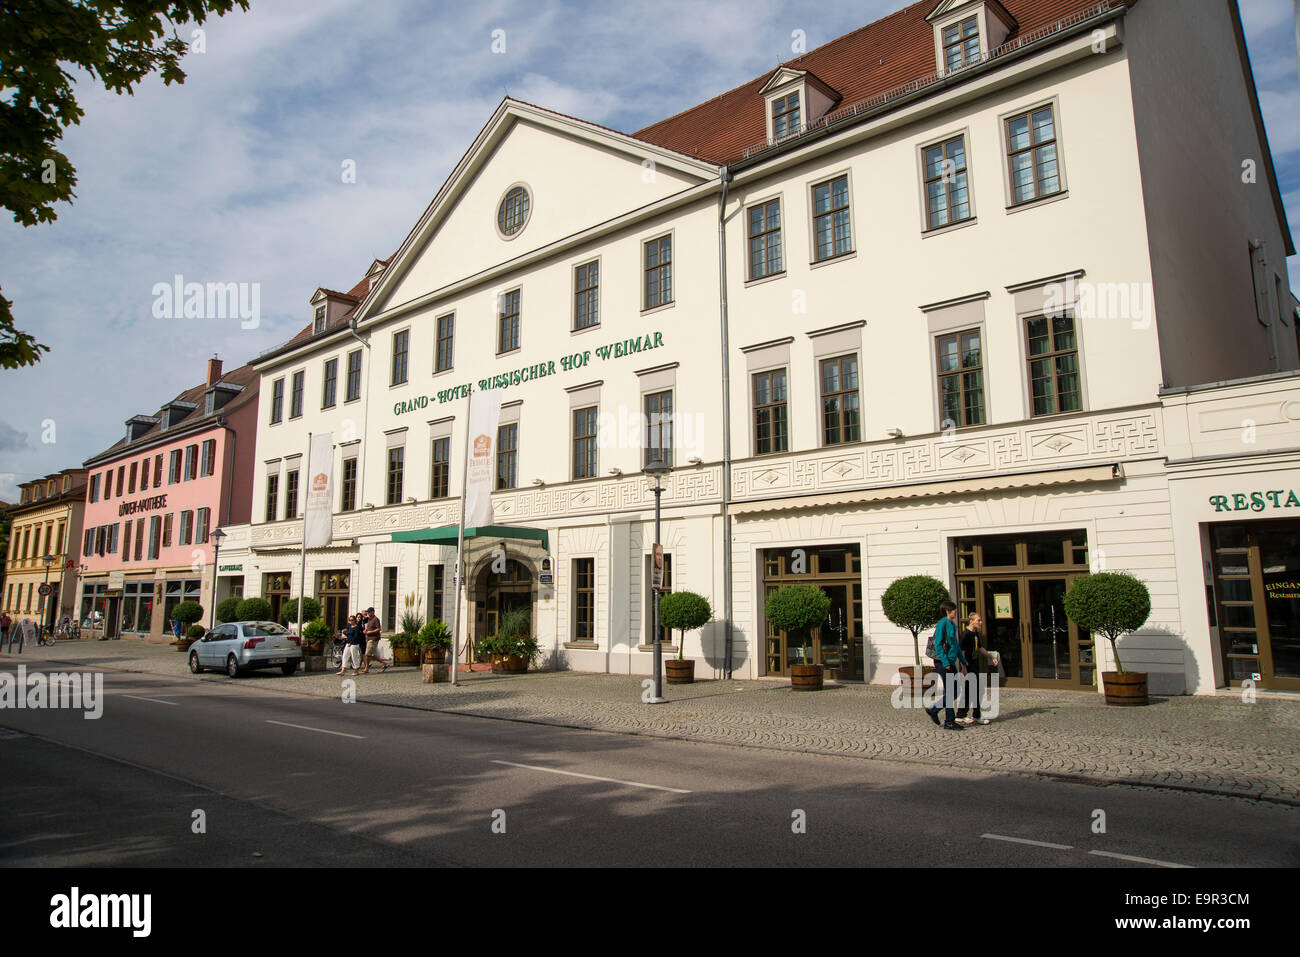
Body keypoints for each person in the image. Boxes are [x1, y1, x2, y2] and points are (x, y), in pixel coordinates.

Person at [925, 600, 967, 731]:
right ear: (948, 611)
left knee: (953, 692)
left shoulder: (952, 625)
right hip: (944, 663)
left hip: (950, 662)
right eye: (954, 610)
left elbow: (956, 646)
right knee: (952, 692)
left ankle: (934, 710)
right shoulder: (942, 624)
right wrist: (945, 662)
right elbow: (938, 644)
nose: (956, 612)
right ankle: (948, 720)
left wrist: (963, 661)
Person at [955, 612, 991, 725]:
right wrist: (964, 668)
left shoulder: (975, 634)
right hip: (968, 666)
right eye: (978, 620)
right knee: (973, 691)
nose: (980, 622)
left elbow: (980, 648)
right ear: (971, 621)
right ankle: (975, 715)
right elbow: (962, 653)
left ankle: (962, 714)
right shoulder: (965, 634)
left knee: (971, 691)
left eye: (980, 620)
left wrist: (991, 656)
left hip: (974, 665)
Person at [360, 607, 388, 673]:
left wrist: (370, 632)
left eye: (369, 612)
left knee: (368, 654)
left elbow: (378, 629)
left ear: (373, 612)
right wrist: (365, 630)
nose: (368, 613)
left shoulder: (376, 619)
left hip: (373, 638)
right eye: (368, 612)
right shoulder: (369, 619)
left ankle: (367, 667)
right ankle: (382, 663)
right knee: (370, 654)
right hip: (369, 638)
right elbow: (368, 626)